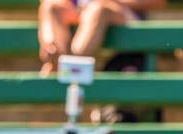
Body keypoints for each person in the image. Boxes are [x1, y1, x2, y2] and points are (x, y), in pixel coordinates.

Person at [37, 0, 166, 77]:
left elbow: (157, 2)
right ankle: (55, 60)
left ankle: (71, 69)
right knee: (50, 7)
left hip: (121, 15)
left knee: (98, 9)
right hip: (81, 16)